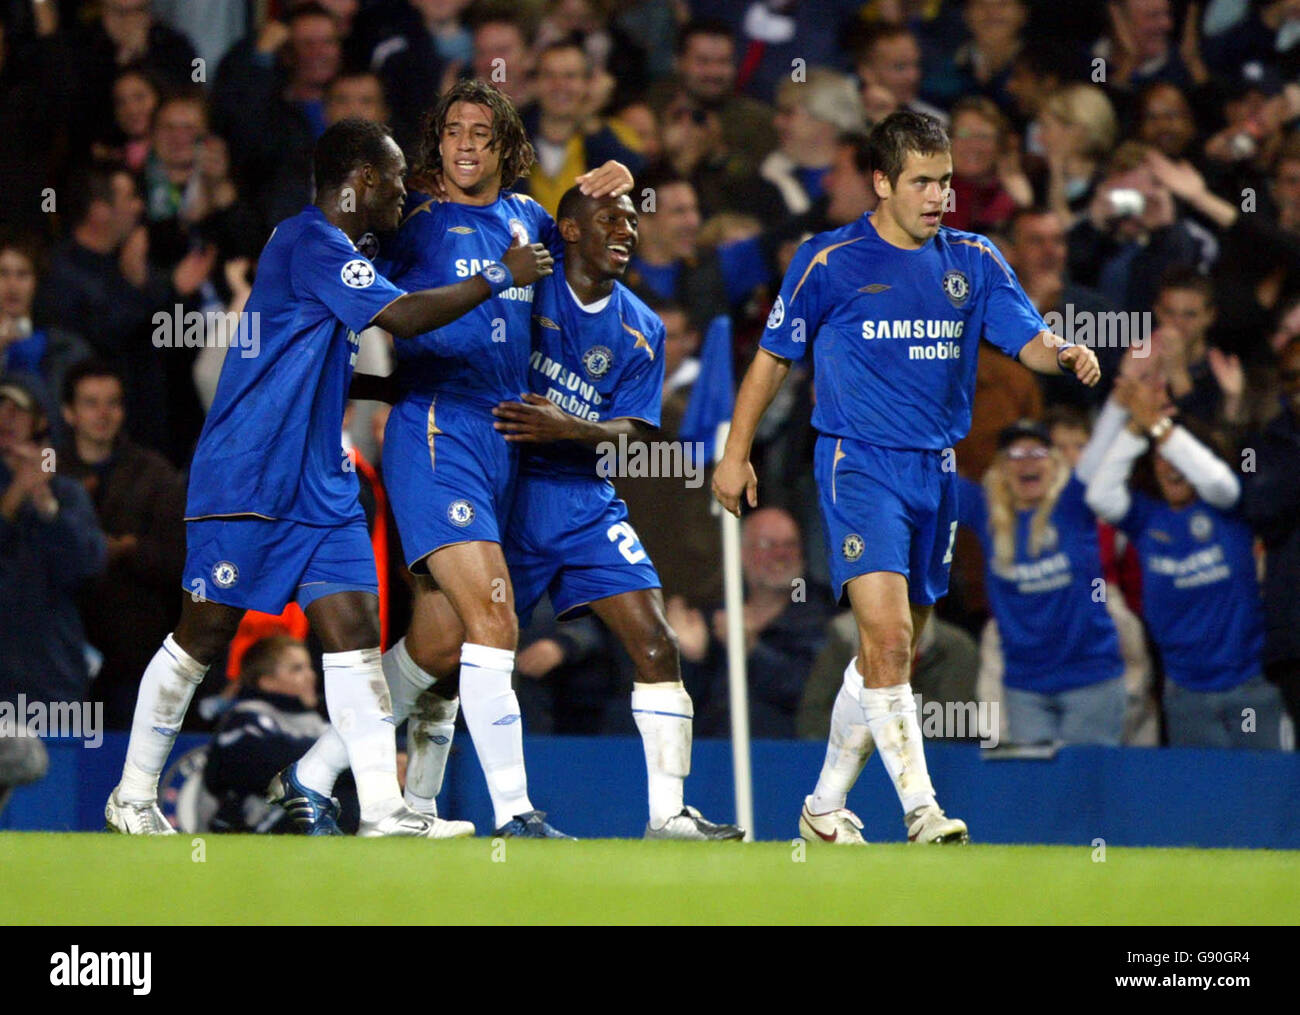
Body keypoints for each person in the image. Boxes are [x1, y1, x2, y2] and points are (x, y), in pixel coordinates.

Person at [103, 116, 555, 837]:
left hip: (322, 481)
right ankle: (130, 796)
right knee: (203, 635)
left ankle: (381, 808)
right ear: (364, 179)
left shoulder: (343, 250)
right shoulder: (304, 240)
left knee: (355, 633)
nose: (405, 192)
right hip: (248, 475)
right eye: (398, 177)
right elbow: (404, 317)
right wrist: (499, 274)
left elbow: (339, 365)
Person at [712, 111, 1101, 845]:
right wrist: (735, 454)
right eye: (922, 181)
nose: (937, 196)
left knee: (889, 655)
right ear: (883, 182)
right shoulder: (828, 261)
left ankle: (824, 806)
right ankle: (922, 808)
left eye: (946, 181)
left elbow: (1028, 340)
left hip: (937, 473)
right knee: (888, 640)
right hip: (857, 463)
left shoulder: (975, 259)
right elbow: (771, 358)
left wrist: (1067, 352)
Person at [277, 81, 632, 840]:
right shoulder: (411, 220)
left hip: (503, 439)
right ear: (435, 145)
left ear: (507, 146)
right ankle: (515, 812)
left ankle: (308, 774)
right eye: (452, 132)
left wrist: (618, 181)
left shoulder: (530, 219)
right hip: (435, 427)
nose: (466, 144)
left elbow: (599, 239)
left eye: (482, 131)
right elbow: (349, 263)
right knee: (495, 614)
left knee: (438, 643)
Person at [425, 186, 741, 838]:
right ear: (567, 229)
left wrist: (569, 428)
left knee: (657, 641)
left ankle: (668, 815)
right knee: (439, 656)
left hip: (587, 505)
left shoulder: (641, 327)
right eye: (609, 219)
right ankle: (361, 780)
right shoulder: (527, 290)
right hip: (507, 496)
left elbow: (639, 436)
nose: (625, 230)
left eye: (631, 220)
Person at [1086, 378, 1285, 748]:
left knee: (1265, 795)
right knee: (1201, 803)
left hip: (1250, 687)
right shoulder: (1146, 517)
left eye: (1176, 455)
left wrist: (1160, 429)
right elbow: (1099, 494)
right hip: (1184, 693)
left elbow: (1219, 481)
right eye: (1159, 458)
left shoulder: (1227, 507)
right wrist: (1135, 427)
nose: (1170, 467)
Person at [956, 420, 1126, 745]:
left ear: (1055, 463)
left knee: (1085, 789)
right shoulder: (985, 511)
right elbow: (936, 476)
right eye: (1016, 454)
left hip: (1091, 680)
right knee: (1038, 791)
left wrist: (1123, 398)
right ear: (1002, 468)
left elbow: (1102, 447)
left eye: (1037, 452)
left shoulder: (1074, 503)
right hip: (1025, 687)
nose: (1027, 461)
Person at [57, 361, 186, 730]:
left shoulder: (154, 471)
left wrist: (130, 550)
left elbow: (180, 559)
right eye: (91, 403)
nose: (103, 413)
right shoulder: (48, 467)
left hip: (132, 648)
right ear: (69, 412)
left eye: (112, 403)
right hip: (61, 644)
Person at [675, 507, 835, 740]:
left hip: (786, 758)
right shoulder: (713, 618)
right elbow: (690, 708)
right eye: (767, 545)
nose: (781, 554)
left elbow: (812, 692)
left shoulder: (823, 617)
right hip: (709, 757)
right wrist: (689, 659)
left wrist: (751, 650)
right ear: (740, 553)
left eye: (790, 545)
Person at [0, 375, 107, 709]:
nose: (6, 417)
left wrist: (46, 504)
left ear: (40, 420)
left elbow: (87, 568)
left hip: (50, 676)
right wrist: (15, 497)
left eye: (17, 409)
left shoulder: (64, 492)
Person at [204, 636, 358, 834]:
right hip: (250, 836)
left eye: (309, 667)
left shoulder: (319, 722)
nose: (311, 676)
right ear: (267, 682)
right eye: (297, 669)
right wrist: (358, 761)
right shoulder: (245, 718)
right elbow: (271, 763)